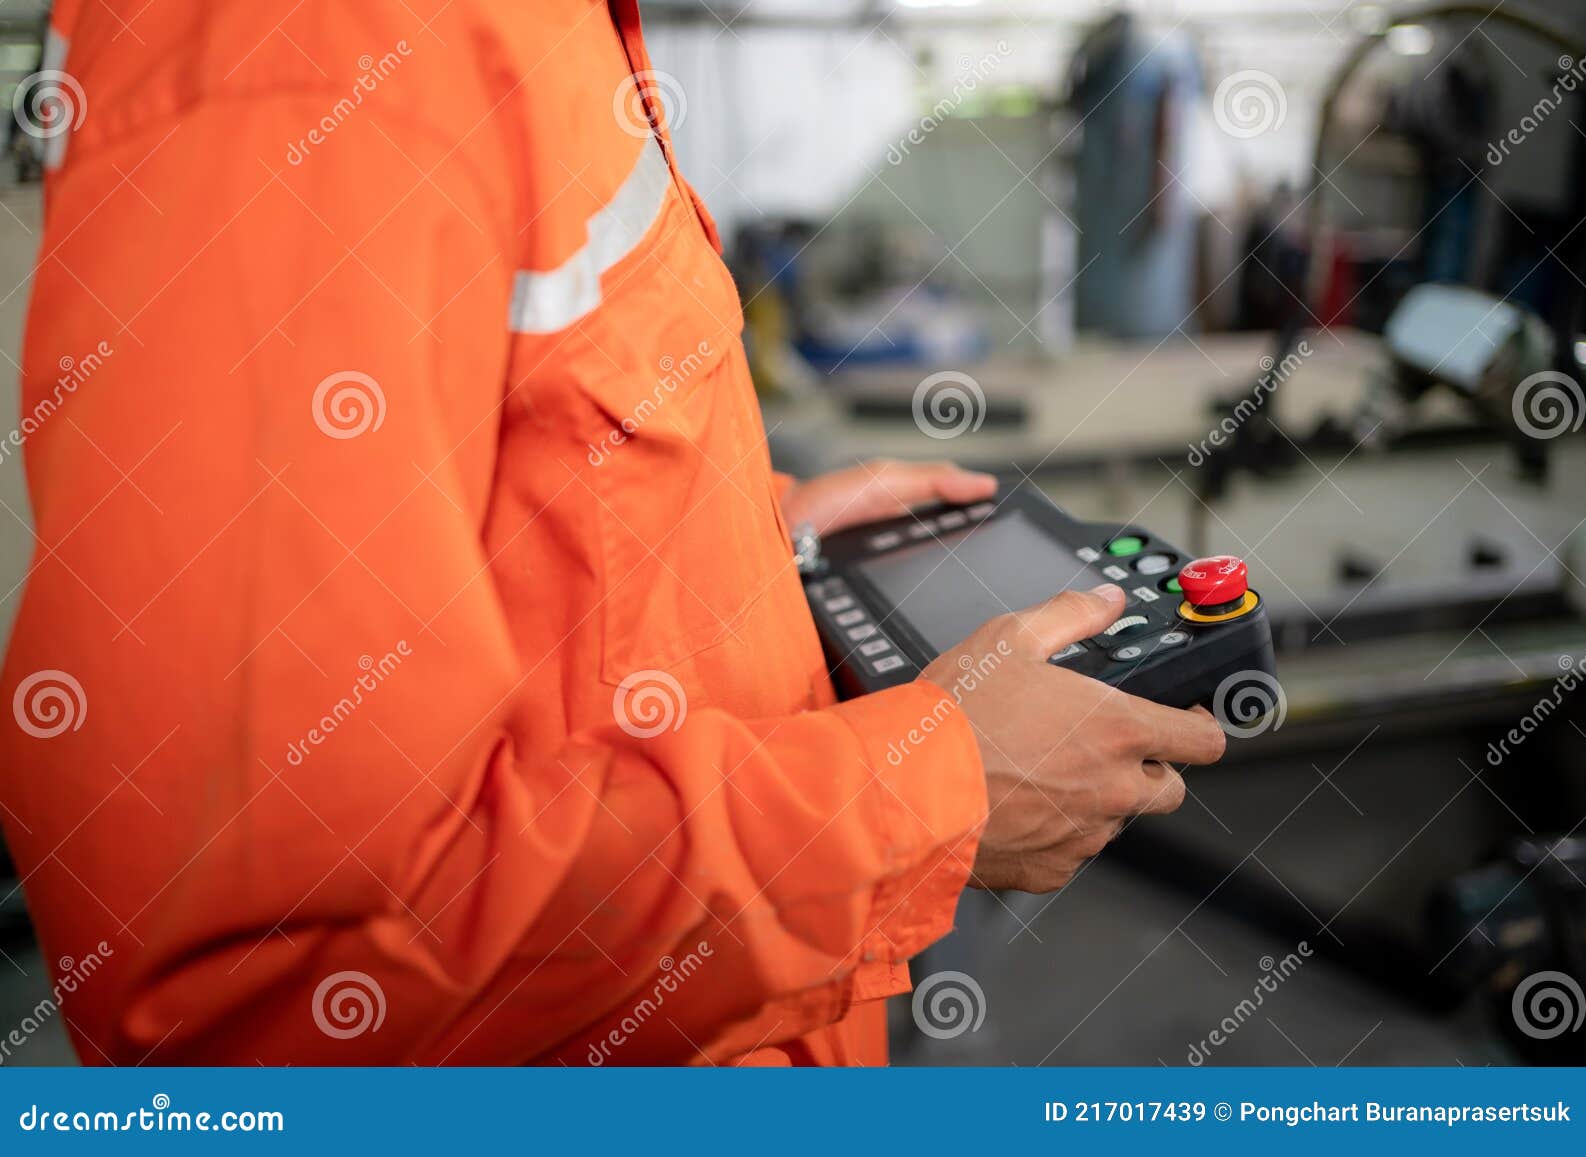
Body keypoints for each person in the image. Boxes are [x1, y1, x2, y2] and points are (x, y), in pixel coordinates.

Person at [0, 0, 1224, 1065]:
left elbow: (509, 504)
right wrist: (924, 793)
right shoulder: (325, 48)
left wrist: (748, 542)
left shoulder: (550, 28)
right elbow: (269, 983)